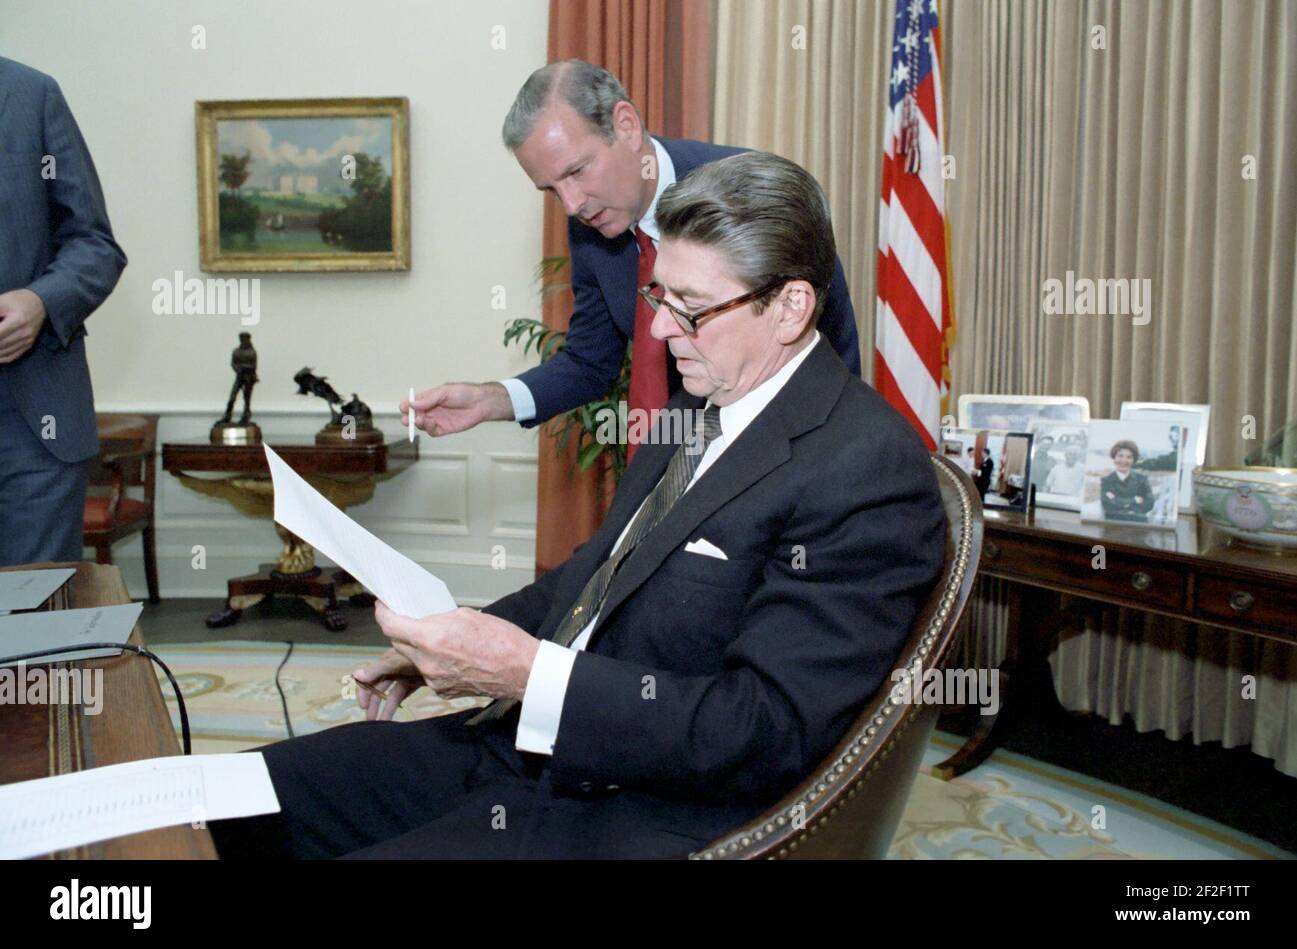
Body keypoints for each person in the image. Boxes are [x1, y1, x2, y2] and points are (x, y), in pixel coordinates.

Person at [208, 151, 945, 859]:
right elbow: (591, 577)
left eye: (689, 307)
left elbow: (762, 729)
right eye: (660, 295)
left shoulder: (866, 470)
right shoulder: (698, 405)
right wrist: (460, 638)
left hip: (649, 811)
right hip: (530, 747)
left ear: (789, 308)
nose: (657, 329)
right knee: (229, 801)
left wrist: (528, 673)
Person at [401, 60, 861, 456]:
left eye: (577, 172)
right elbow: (589, 361)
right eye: (550, 189)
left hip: (783, 458)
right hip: (670, 466)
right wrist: (491, 400)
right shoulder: (592, 222)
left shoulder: (747, 191)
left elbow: (831, 348)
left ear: (626, 125)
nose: (571, 204)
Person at [0, 57, 126, 566]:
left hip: (31, 425)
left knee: (35, 627)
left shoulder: (32, 95)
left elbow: (95, 245)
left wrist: (40, 301)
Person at [1100, 439, 1154, 522]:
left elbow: (1149, 503)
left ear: (1133, 460)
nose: (1124, 461)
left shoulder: (1142, 480)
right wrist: (1135, 500)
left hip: (1138, 525)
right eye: (1120, 456)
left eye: (1129, 457)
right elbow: (1108, 505)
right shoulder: (1106, 481)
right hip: (1113, 526)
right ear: (1114, 458)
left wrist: (1117, 501)